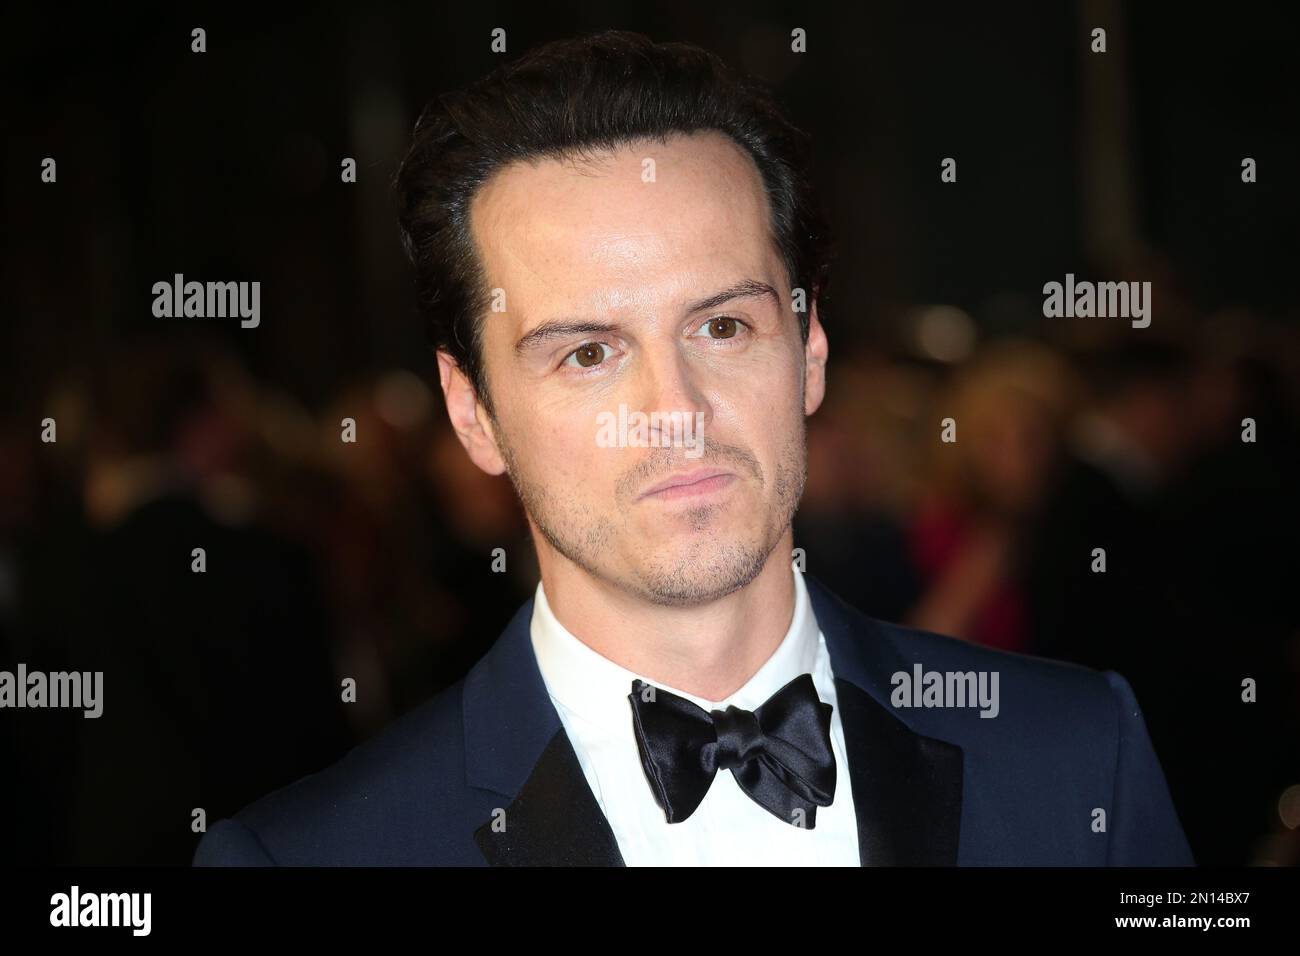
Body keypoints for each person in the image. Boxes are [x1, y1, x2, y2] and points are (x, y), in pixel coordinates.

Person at [193, 30, 1192, 866]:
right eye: (587, 351)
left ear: (807, 350)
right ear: (472, 412)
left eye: (721, 327)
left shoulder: (1073, 755)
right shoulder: (314, 856)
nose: (674, 408)